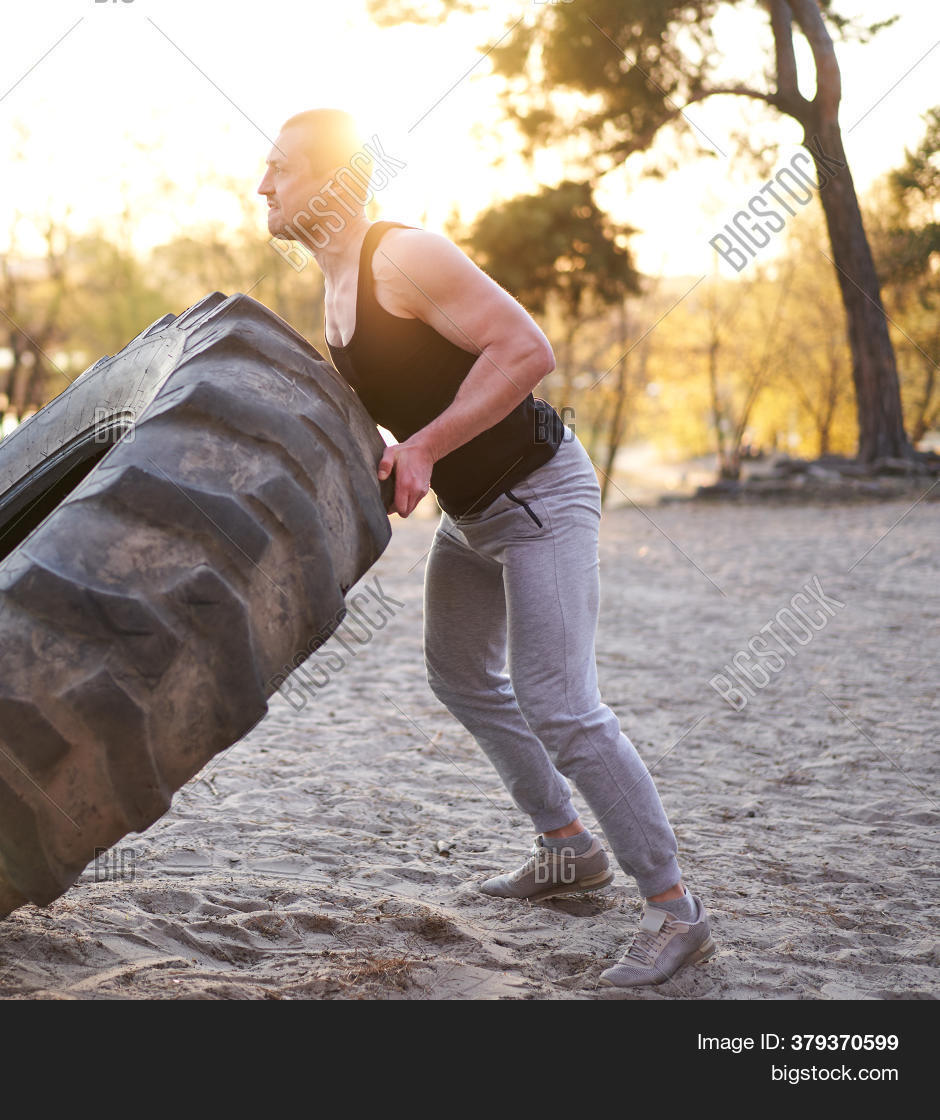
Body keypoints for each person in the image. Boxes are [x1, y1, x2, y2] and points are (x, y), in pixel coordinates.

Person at [257, 108, 715, 987]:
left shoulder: (403, 254)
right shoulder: (339, 282)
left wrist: (424, 446)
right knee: (460, 672)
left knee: (563, 706)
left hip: (540, 491)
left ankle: (676, 911)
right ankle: (567, 849)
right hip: (473, 515)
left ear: (330, 179)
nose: (263, 185)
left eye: (280, 168)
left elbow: (525, 349)